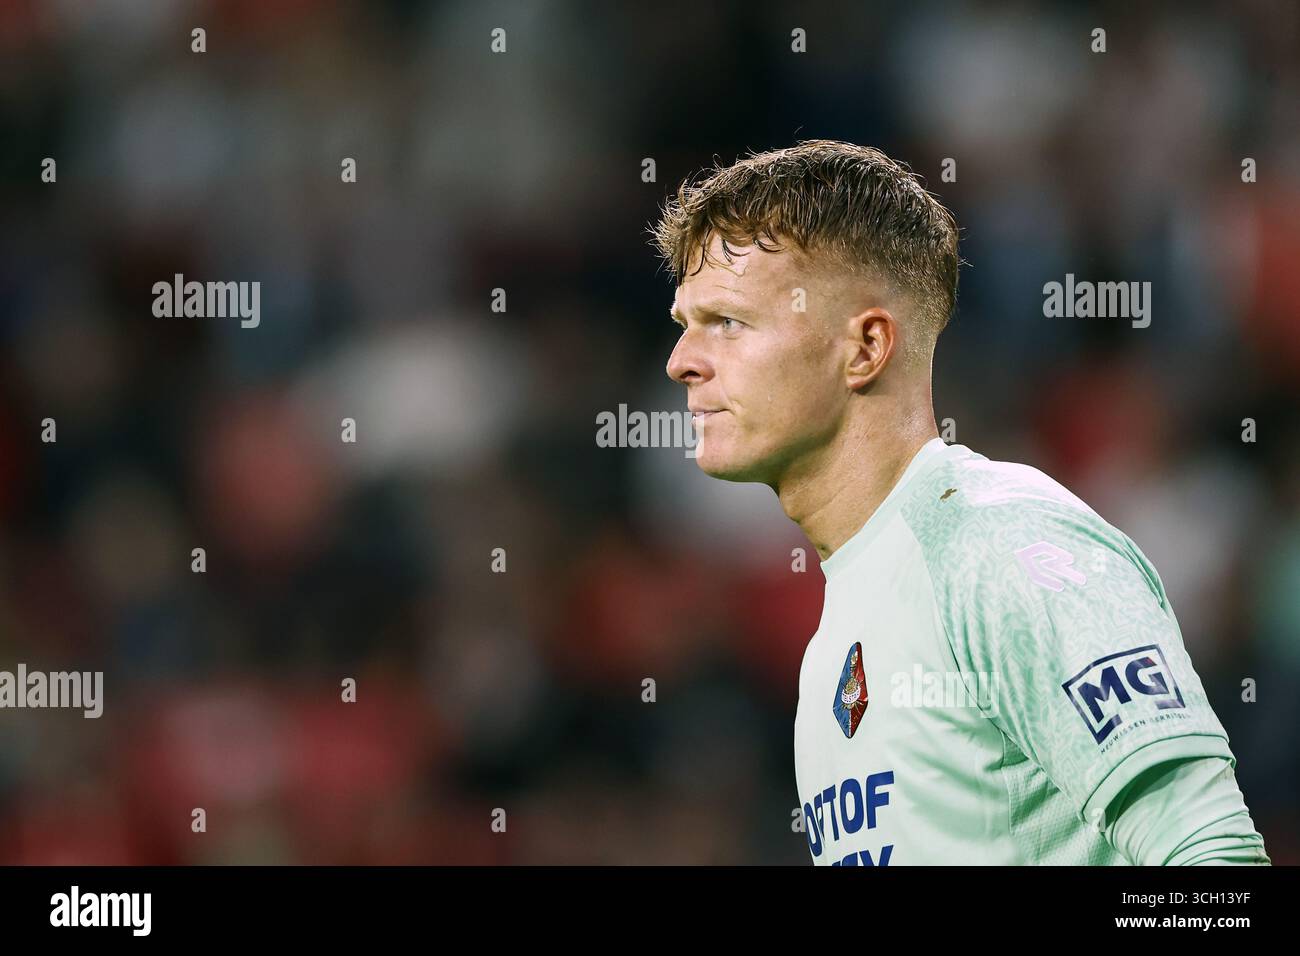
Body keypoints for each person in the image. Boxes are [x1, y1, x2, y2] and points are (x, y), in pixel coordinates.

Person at [651, 140, 1270, 865]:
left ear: (866, 347)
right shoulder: (833, 641)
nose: (681, 361)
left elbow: (1215, 862)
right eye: (685, 325)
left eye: (728, 322)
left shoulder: (999, 545)